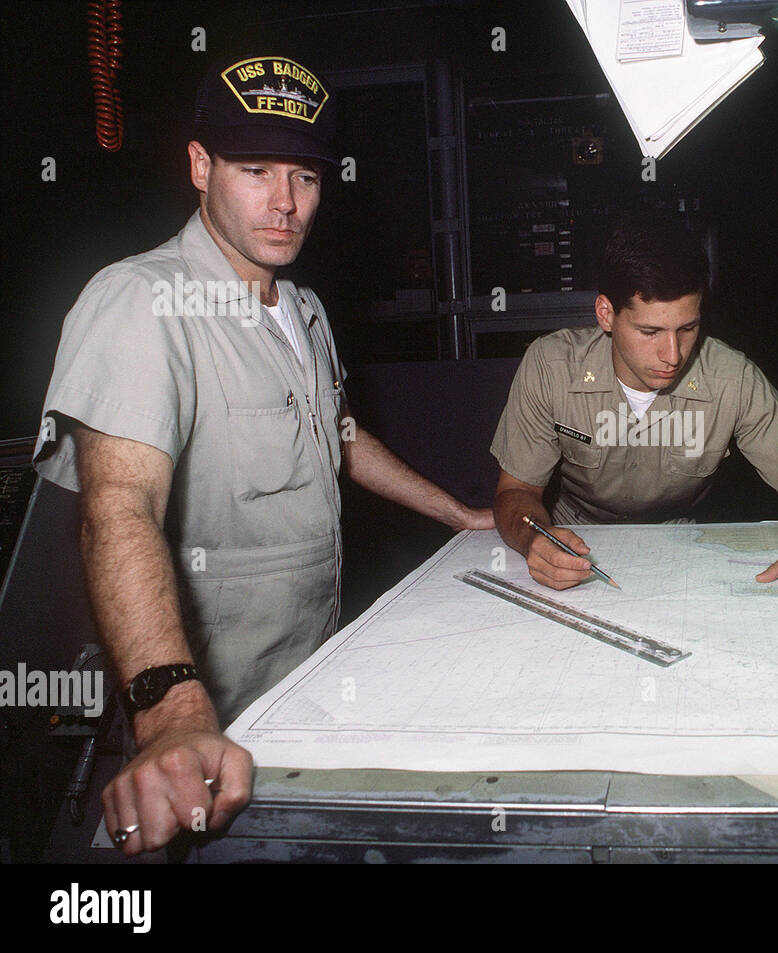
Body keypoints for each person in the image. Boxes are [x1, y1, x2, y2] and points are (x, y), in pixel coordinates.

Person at [31, 53, 492, 856]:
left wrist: (459, 514)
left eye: (306, 177)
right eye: (255, 171)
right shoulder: (140, 299)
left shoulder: (304, 309)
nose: (285, 204)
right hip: (197, 726)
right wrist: (170, 713)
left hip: (302, 702)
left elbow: (340, 436)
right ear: (200, 166)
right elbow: (119, 505)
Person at [491, 216, 778, 611]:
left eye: (687, 328)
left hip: (679, 547)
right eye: (650, 332)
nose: (673, 355)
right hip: (571, 537)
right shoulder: (549, 366)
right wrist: (535, 539)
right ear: (606, 314)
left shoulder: (732, 377)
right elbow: (516, 493)